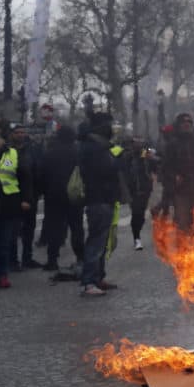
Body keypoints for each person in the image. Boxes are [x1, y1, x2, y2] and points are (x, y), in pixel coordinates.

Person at [78, 112, 123, 296]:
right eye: (110, 125)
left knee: (102, 242)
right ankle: (89, 282)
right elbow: (105, 170)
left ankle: (98, 277)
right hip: (98, 199)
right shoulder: (94, 147)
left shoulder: (100, 146)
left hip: (105, 198)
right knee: (96, 242)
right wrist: (117, 160)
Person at [38, 125, 85, 271]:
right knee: (76, 227)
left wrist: (43, 191)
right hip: (74, 196)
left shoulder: (49, 153)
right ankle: (80, 258)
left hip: (54, 196)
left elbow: (42, 175)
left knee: (55, 227)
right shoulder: (78, 153)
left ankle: (52, 259)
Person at [0, 128, 34, 288]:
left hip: (7, 203)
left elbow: (25, 177)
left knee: (4, 242)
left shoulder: (12, 154)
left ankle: (2, 274)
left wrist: (26, 199)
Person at [160, 113, 194, 230]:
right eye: (184, 123)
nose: (187, 125)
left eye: (189, 122)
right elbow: (165, 168)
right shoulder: (172, 144)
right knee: (183, 223)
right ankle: (183, 246)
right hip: (181, 191)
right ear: (178, 125)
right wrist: (174, 177)